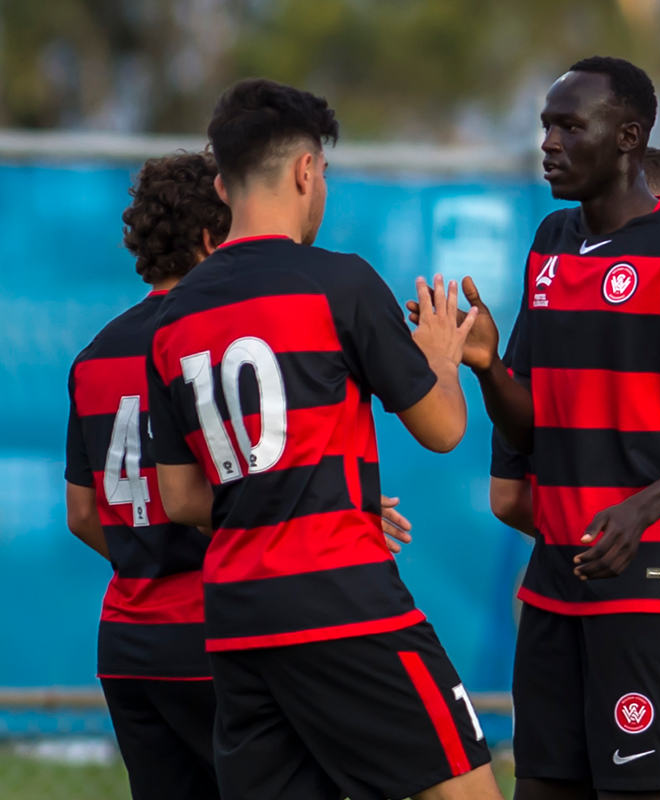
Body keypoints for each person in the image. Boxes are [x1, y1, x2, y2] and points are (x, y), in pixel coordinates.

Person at [144, 78, 499, 800]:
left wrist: (297, 497)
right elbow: (443, 429)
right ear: (307, 171)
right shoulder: (339, 283)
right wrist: (441, 357)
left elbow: (179, 496)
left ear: (223, 184)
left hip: (238, 619)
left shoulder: (172, 320)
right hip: (343, 603)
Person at [456, 56, 660, 800]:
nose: (549, 143)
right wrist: (489, 366)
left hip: (651, 581)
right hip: (556, 579)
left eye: (570, 126)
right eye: (546, 126)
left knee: (642, 787)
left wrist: (642, 509)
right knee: (543, 785)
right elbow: (530, 428)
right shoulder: (551, 240)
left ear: (628, 137)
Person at [63, 151, 229, 800]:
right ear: (212, 239)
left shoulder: (94, 356)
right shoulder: (213, 344)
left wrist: (144, 554)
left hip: (128, 640)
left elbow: (82, 514)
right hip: (215, 630)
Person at [486, 145, 660, 536]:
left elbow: (506, 498)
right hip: (654, 556)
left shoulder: (551, 299)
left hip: (565, 554)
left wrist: (580, 540)